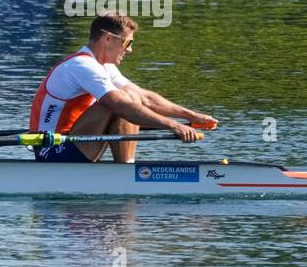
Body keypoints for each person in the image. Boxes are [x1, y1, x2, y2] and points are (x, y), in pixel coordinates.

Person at [29, 12, 216, 162]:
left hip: (74, 142)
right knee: (119, 102)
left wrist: (191, 116)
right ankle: (127, 172)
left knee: (129, 98)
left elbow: (145, 98)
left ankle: (126, 169)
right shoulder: (82, 66)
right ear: (108, 39)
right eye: (127, 43)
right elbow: (120, 105)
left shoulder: (104, 66)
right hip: (53, 151)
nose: (130, 50)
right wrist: (174, 125)